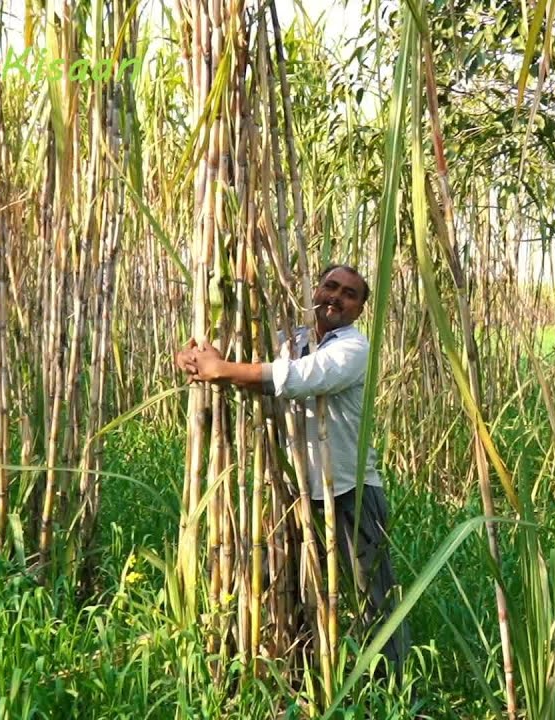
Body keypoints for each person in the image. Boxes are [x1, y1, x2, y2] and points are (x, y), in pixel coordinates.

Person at [176, 264, 411, 673]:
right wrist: (198, 357)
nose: (336, 297)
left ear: (359, 310)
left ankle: (393, 684)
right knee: (292, 588)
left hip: (348, 492)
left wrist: (223, 369)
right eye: (330, 286)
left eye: (350, 294)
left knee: (372, 595)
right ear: (315, 290)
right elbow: (254, 372)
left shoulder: (354, 349)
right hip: (295, 491)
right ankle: (299, 674)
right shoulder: (291, 342)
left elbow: (300, 379)